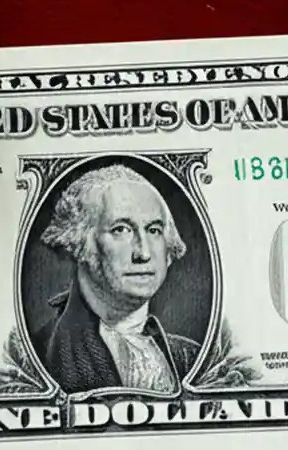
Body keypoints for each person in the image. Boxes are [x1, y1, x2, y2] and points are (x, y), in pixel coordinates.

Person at [34, 163, 199, 394]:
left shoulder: (191, 357)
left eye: (154, 230)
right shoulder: (38, 357)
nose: (143, 253)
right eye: (121, 230)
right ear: (78, 242)